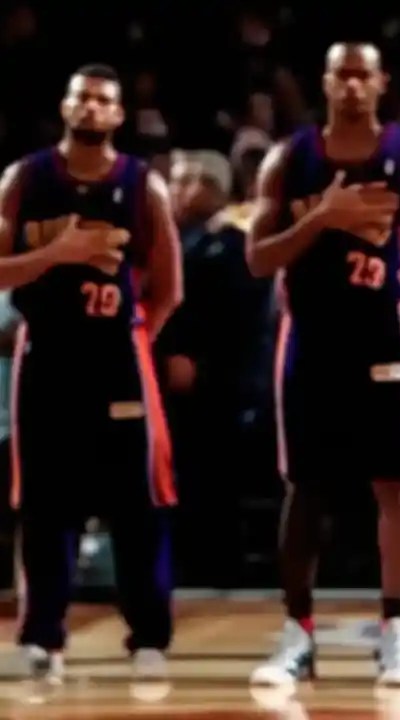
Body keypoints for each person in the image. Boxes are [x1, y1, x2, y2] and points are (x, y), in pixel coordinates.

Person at [245, 42, 400, 688]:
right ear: (326, 82)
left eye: (365, 74)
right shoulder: (289, 158)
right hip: (311, 341)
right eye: (343, 74)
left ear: (382, 83)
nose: (354, 85)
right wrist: (323, 219)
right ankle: (296, 633)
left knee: (393, 486)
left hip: (384, 338)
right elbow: (257, 259)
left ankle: (395, 631)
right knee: (305, 489)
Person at [0, 63, 183, 682]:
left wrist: (130, 340)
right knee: (45, 506)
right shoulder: (25, 179)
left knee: (137, 505)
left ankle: (149, 635)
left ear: (118, 114)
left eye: (104, 100)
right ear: (66, 105)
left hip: (116, 359)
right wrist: (57, 254)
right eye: (82, 97)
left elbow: (168, 288)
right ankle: (43, 636)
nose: (91, 107)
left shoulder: (142, 186)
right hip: (47, 356)